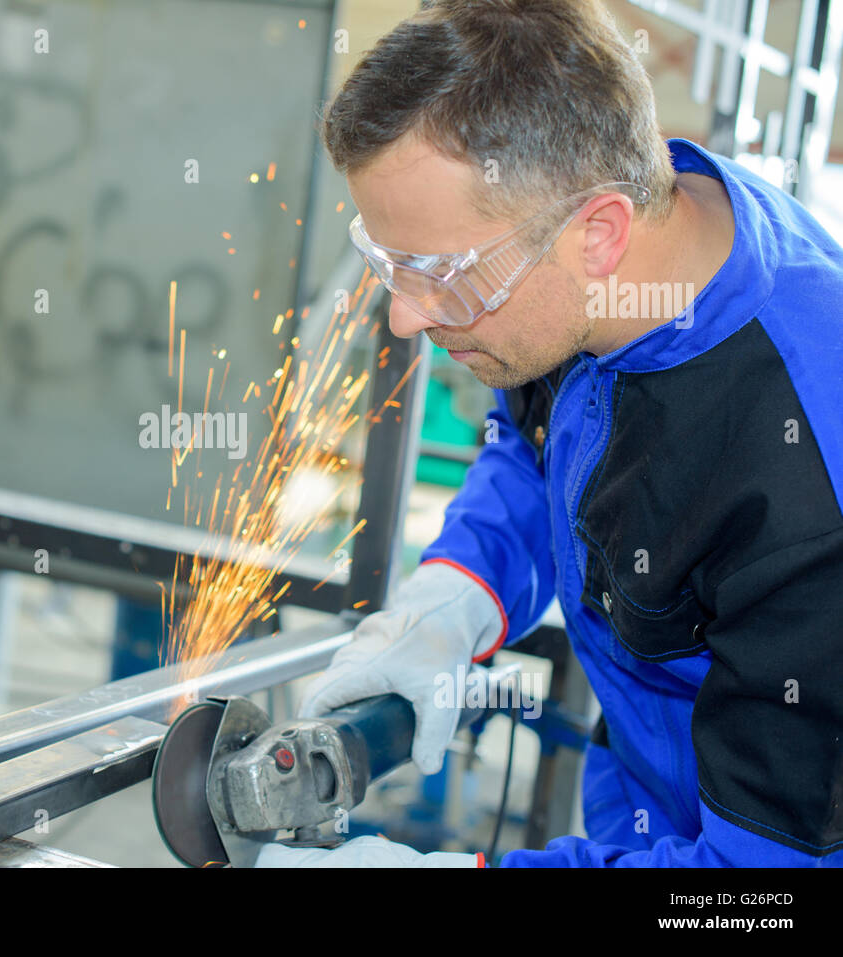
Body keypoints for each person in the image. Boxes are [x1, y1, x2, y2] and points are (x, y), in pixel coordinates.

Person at [258, 0, 843, 867]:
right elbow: (543, 452)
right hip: (643, 816)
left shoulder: (805, 471)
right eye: (389, 264)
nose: (408, 317)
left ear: (598, 233)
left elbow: (762, 891)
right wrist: (454, 599)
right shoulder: (600, 277)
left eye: (437, 272)